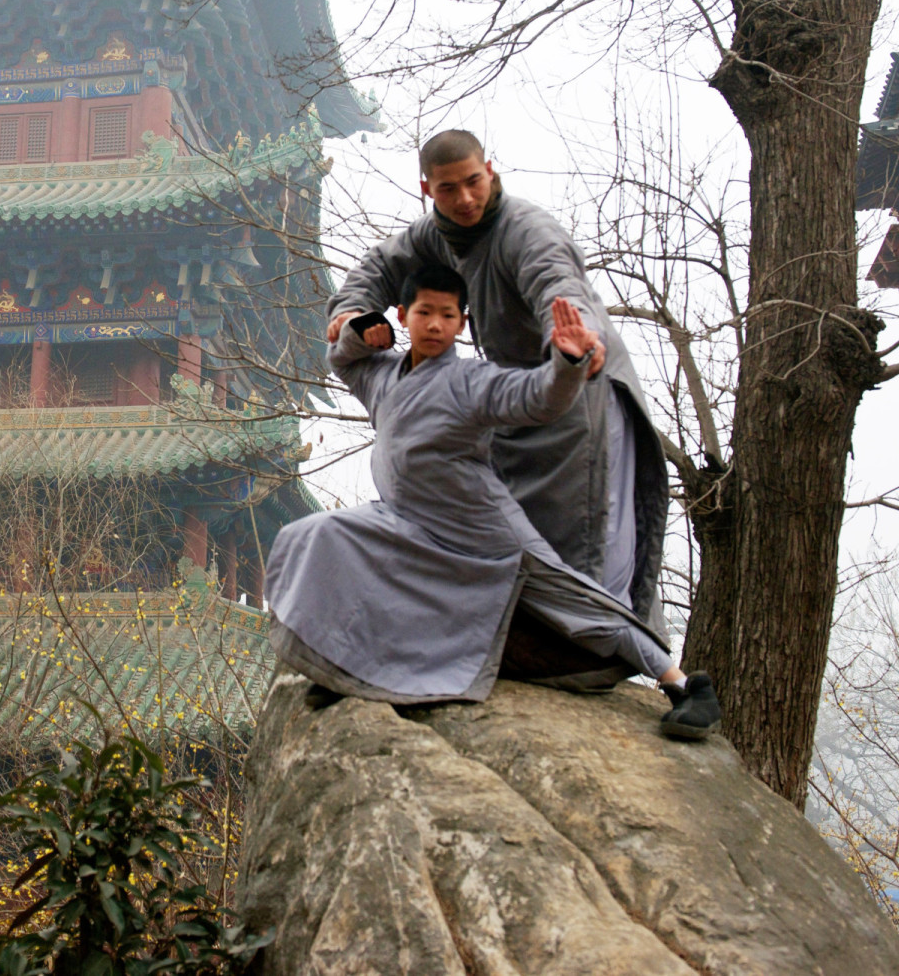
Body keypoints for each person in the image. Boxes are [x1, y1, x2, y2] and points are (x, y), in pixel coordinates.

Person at [269, 264, 720, 737]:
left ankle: (684, 685)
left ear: (462, 323)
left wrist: (566, 365)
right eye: (425, 312)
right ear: (403, 315)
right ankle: (349, 669)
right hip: (406, 522)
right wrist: (360, 332)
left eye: (448, 314)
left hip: (480, 526)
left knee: (574, 600)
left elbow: (537, 397)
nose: (436, 324)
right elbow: (340, 361)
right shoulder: (381, 376)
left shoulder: (471, 381)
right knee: (319, 535)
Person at [328, 130, 668, 690]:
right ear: (427, 190)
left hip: (576, 385)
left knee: (583, 535)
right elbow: (377, 268)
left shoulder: (526, 230)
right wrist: (353, 311)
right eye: (448, 189)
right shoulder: (435, 236)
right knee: (513, 533)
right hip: (505, 401)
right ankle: (535, 644)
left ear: (491, 169)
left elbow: (556, 283)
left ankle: (601, 655)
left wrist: (571, 343)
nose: (464, 199)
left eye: (473, 182)